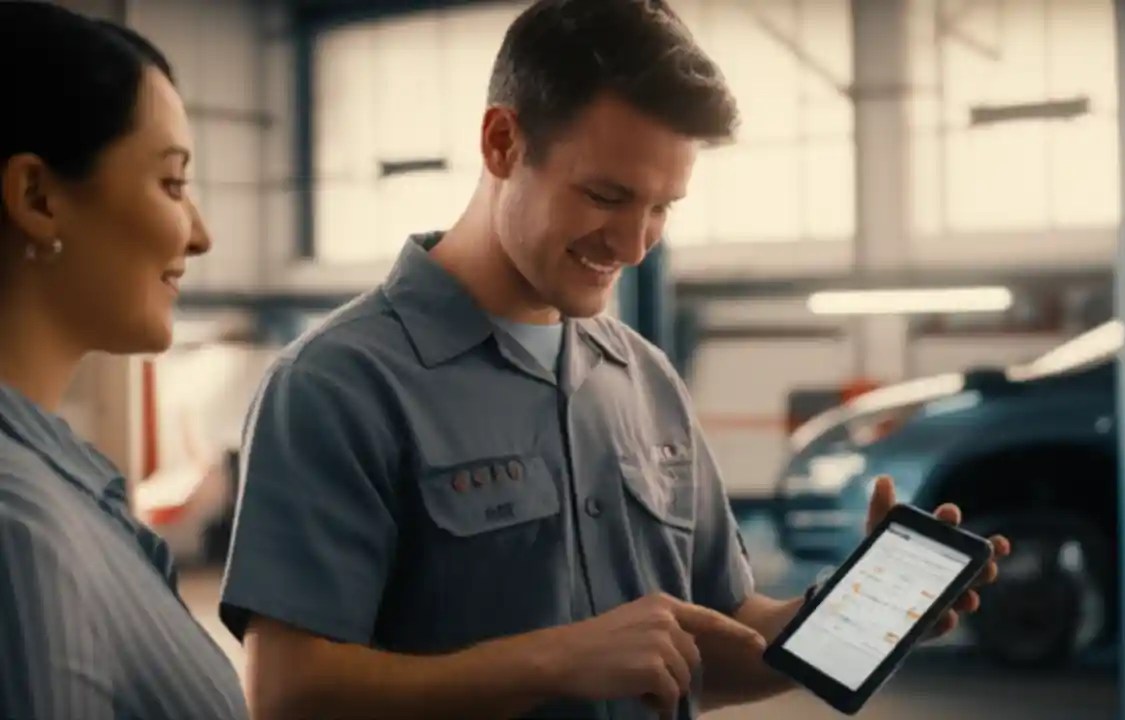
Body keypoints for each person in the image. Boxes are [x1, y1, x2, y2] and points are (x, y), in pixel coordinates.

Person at [219, 1, 1009, 719]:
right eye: (605, 196)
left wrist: (854, 614)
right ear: (502, 142)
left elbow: (714, 646)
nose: (634, 245)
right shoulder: (336, 387)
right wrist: (555, 661)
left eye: (662, 207)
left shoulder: (644, 379)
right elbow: (291, 696)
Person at [0, 4, 248, 719]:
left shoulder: (61, 486)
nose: (199, 235)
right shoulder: (20, 534)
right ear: (38, 198)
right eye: (172, 184)